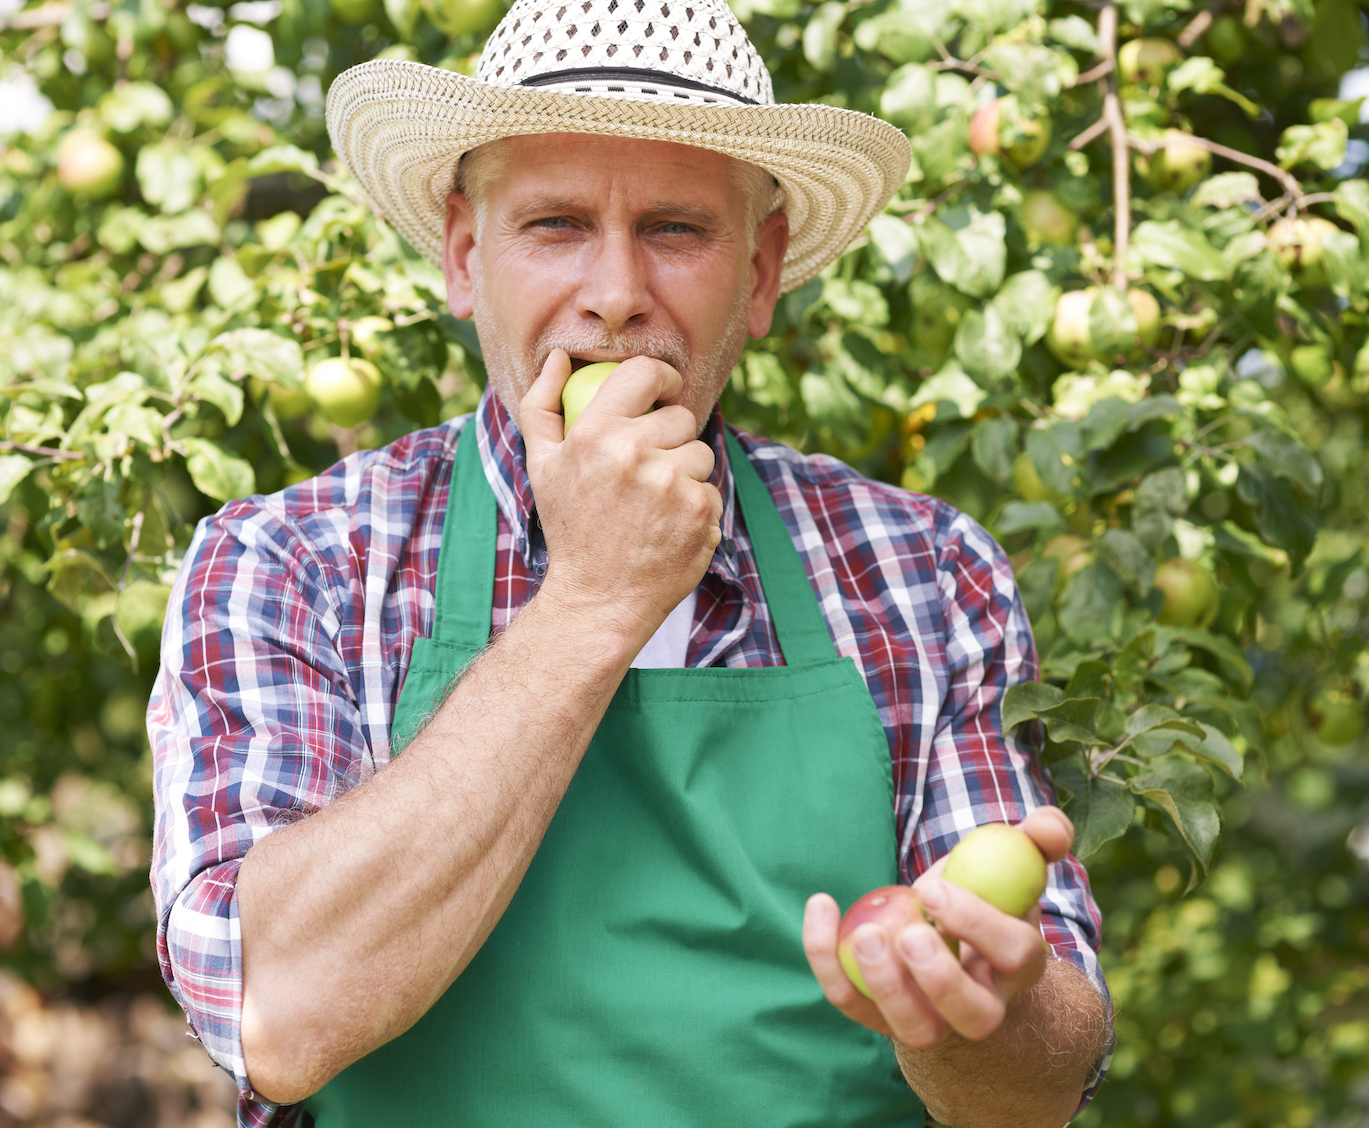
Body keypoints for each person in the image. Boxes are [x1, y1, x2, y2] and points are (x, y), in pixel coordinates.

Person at [148, 0, 1113, 1124]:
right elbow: (279, 1013)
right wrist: (599, 595)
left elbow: (1036, 1091)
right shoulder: (296, 562)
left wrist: (979, 1016)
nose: (614, 291)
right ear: (466, 258)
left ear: (759, 275)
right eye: (555, 225)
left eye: (674, 230)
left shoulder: (923, 573)